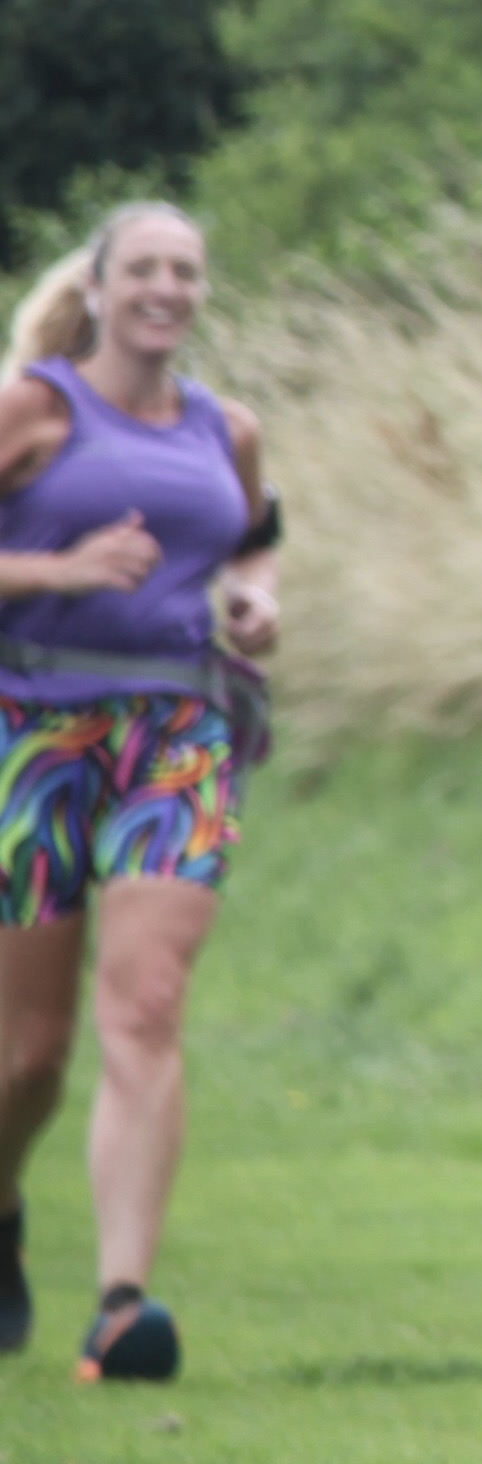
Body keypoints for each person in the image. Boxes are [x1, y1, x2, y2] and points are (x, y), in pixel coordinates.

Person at [0, 205, 279, 1382]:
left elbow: (255, 534)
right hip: (33, 731)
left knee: (149, 1003)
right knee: (28, 1053)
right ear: (101, 287)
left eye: (187, 271)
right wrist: (60, 567)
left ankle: (123, 1306)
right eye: (145, 269)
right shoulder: (36, 407)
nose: (167, 288)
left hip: (177, 729)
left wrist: (257, 595)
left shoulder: (227, 426)